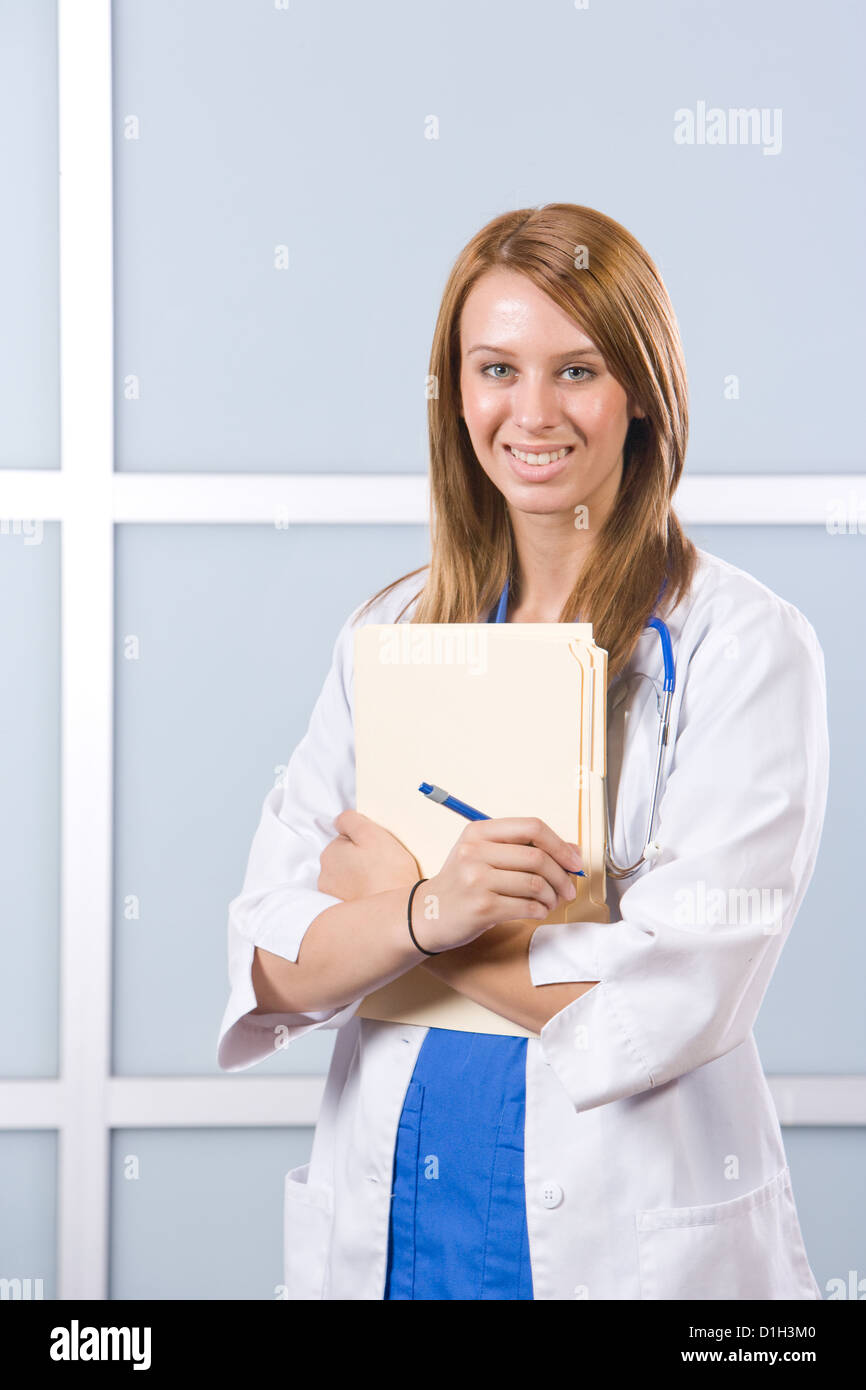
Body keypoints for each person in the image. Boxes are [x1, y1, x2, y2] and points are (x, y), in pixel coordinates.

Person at [216, 203, 828, 1301]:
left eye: (577, 369)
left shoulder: (740, 645)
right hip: (403, 1213)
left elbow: (674, 996)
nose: (530, 411)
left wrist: (411, 923)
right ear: (454, 395)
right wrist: (419, 913)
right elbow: (269, 961)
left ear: (640, 389)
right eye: (495, 367)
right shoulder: (390, 633)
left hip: (624, 1227)